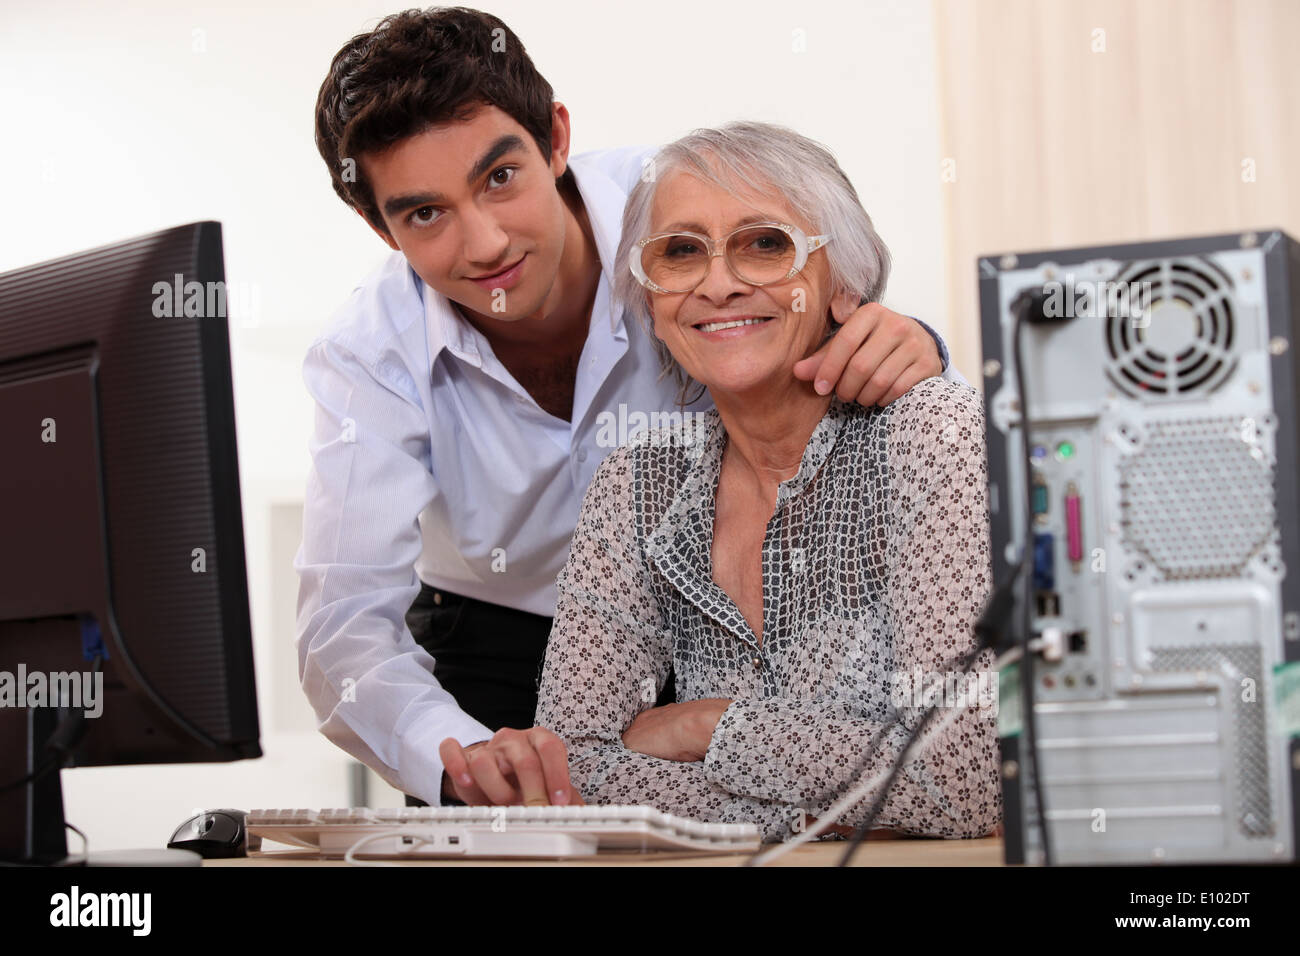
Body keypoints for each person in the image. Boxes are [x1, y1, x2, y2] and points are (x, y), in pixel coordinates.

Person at [296, 6, 964, 810]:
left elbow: (823, 290)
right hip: (492, 636)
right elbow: (344, 623)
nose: (484, 245)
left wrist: (913, 345)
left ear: (555, 139)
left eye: (499, 178)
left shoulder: (682, 219)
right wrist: (469, 759)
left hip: (703, 623)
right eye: (424, 213)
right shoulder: (366, 353)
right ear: (379, 227)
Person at [534, 121, 1001, 842]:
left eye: (765, 243)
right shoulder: (639, 479)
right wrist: (825, 810)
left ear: (843, 285)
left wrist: (705, 726)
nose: (719, 284)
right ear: (652, 302)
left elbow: (966, 778)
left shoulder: (932, 435)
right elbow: (570, 775)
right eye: (681, 252)